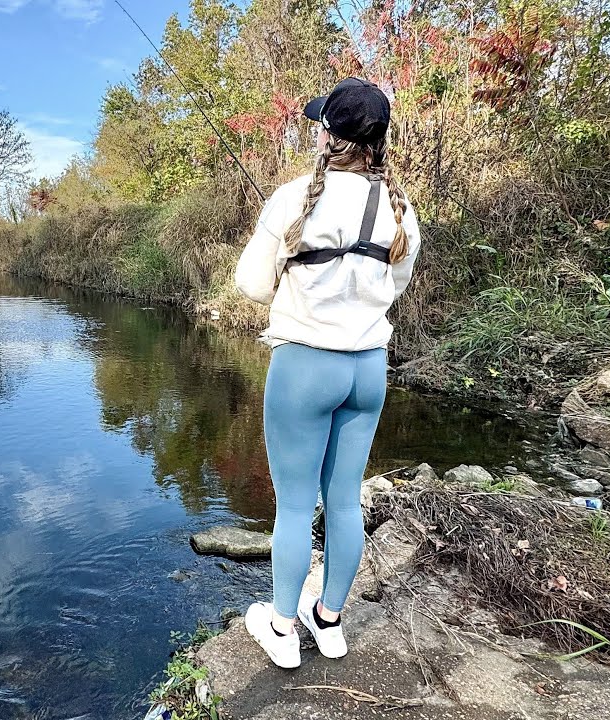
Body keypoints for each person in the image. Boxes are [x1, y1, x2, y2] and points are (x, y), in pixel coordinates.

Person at [233, 77, 421, 668]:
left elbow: (250, 285)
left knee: (293, 505)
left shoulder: (292, 199)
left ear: (328, 135)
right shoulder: (400, 209)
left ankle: (283, 629)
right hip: (367, 372)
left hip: (305, 369)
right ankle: (330, 621)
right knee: (343, 503)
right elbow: (393, 288)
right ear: (376, 142)